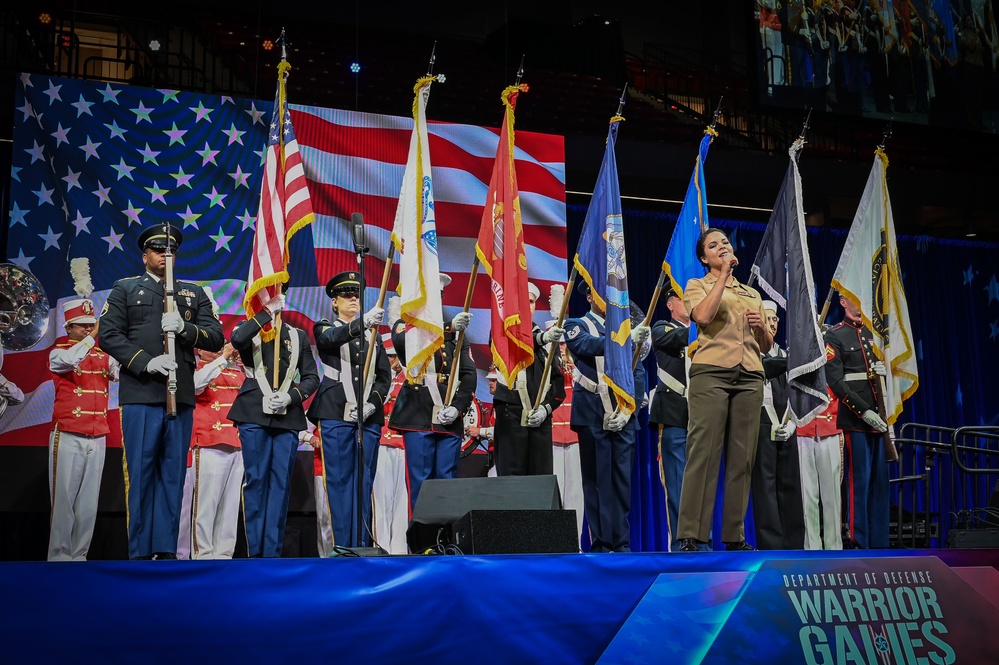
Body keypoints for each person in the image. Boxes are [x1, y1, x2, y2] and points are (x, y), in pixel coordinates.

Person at [99, 223, 224, 560]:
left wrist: (186, 328)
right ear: (145, 256)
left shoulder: (192, 294)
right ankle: (140, 551)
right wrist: (145, 362)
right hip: (141, 393)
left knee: (172, 475)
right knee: (140, 474)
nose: (165, 255)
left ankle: (166, 548)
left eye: (170, 251)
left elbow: (216, 338)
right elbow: (108, 335)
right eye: (158, 250)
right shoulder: (125, 289)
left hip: (179, 397)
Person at [676, 227, 773, 552]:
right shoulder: (697, 285)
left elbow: (766, 346)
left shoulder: (751, 293)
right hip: (711, 373)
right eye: (713, 246)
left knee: (742, 458)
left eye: (725, 243)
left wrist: (762, 329)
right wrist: (722, 278)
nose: (722, 247)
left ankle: (734, 536)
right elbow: (702, 317)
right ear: (705, 258)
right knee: (704, 452)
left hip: (749, 376)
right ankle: (692, 534)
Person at [228, 289, 320, 558]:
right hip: (254, 413)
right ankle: (256, 553)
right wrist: (265, 314)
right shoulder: (250, 327)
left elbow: (311, 378)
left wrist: (291, 396)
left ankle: (272, 553)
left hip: (286, 416)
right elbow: (237, 338)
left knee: (280, 484)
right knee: (257, 480)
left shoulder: (296, 335)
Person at [564, 282, 649, 553]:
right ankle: (601, 543)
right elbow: (586, 345)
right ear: (590, 296)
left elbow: (638, 372)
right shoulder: (576, 324)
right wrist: (624, 339)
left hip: (623, 413)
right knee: (597, 481)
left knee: (621, 481)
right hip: (592, 410)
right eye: (600, 292)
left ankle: (621, 542)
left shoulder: (627, 328)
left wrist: (630, 409)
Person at [308, 270, 390, 550]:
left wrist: (372, 403)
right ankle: (343, 547)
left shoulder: (374, 336)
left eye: (356, 295)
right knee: (340, 484)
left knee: (363, 482)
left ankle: (363, 545)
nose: (353, 298)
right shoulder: (324, 326)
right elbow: (329, 340)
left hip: (368, 418)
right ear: (334, 302)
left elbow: (384, 377)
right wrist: (362, 323)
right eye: (346, 295)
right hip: (334, 414)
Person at [389, 273, 478, 511]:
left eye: (438, 298)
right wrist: (448, 328)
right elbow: (403, 342)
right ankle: (422, 546)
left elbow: (469, 376)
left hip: (448, 418)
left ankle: (445, 542)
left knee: (446, 483)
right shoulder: (404, 326)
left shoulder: (457, 335)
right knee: (421, 484)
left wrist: (457, 407)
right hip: (418, 416)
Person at [47, 295, 120, 561]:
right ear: (68, 328)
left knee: (88, 503)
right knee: (64, 501)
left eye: (91, 325)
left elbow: (124, 372)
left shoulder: (103, 356)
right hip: (67, 433)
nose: (89, 330)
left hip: (97, 435)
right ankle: (59, 559)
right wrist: (92, 339)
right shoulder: (59, 352)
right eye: (82, 326)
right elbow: (68, 362)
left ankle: (79, 558)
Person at [824, 293, 890, 549]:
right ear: (843, 301)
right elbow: (836, 382)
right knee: (859, 483)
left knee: (880, 484)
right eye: (855, 296)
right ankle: (859, 542)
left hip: (880, 418)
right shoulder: (836, 335)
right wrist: (864, 412)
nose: (862, 301)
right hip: (856, 418)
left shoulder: (876, 335)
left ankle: (880, 544)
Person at [492, 282, 565, 477]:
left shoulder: (549, 342)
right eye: (523, 302)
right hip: (511, 417)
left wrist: (545, 409)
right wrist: (542, 339)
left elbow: (558, 387)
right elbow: (518, 345)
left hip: (540, 421)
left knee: (540, 483)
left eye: (531, 302)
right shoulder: (501, 333)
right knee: (512, 485)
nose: (528, 306)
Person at [750, 301, 805, 550]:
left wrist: (794, 423)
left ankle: (794, 545)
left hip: (787, 427)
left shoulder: (785, 355)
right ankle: (771, 548)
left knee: (790, 487)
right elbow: (766, 370)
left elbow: (799, 392)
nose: (771, 323)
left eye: (774, 320)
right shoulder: (750, 354)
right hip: (760, 427)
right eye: (767, 318)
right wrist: (796, 361)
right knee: (765, 491)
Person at [181, 341, 244, 559]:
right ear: (198, 348)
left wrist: (247, 367)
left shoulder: (236, 373)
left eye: (220, 344)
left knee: (230, 508)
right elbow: (195, 385)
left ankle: (224, 557)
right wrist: (222, 358)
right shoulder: (195, 369)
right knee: (206, 506)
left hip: (237, 444)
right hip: (209, 442)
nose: (218, 347)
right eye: (212, 344)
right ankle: (203, 556)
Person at [649, 289, 691, 552]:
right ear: (670, 304)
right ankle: (680, 544)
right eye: (683, 298)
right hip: (674, 415)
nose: (689, 302)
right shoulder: (662, 327)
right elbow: (681, 337)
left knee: (702, 485)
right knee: (676, 485)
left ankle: (702, 541)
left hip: (701, 415)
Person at [372, 333, 409, 555]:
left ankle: (400, 550)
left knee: (402, 502)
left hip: (404, 444)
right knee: (382, 499)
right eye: (389, 357)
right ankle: (382, 548)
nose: (392, 361)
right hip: (382, 443)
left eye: (395, 357)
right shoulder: (378, 379)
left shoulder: (410, 378)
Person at [796, 386, 843, 550]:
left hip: (830, 426)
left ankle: (834, 548)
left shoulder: (835, 359)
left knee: (832, 497)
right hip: (803, 428)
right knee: (808, 496)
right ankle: (811, 548)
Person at [551, 338, 584, 546]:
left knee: (576, 492)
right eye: (559, 344)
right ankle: (556, 543)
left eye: (565, 343)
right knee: (556, 490)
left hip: (575, 433)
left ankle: (576, 543)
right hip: (553, 434)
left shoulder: (579, 366)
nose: (562, 348)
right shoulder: (548, 367)